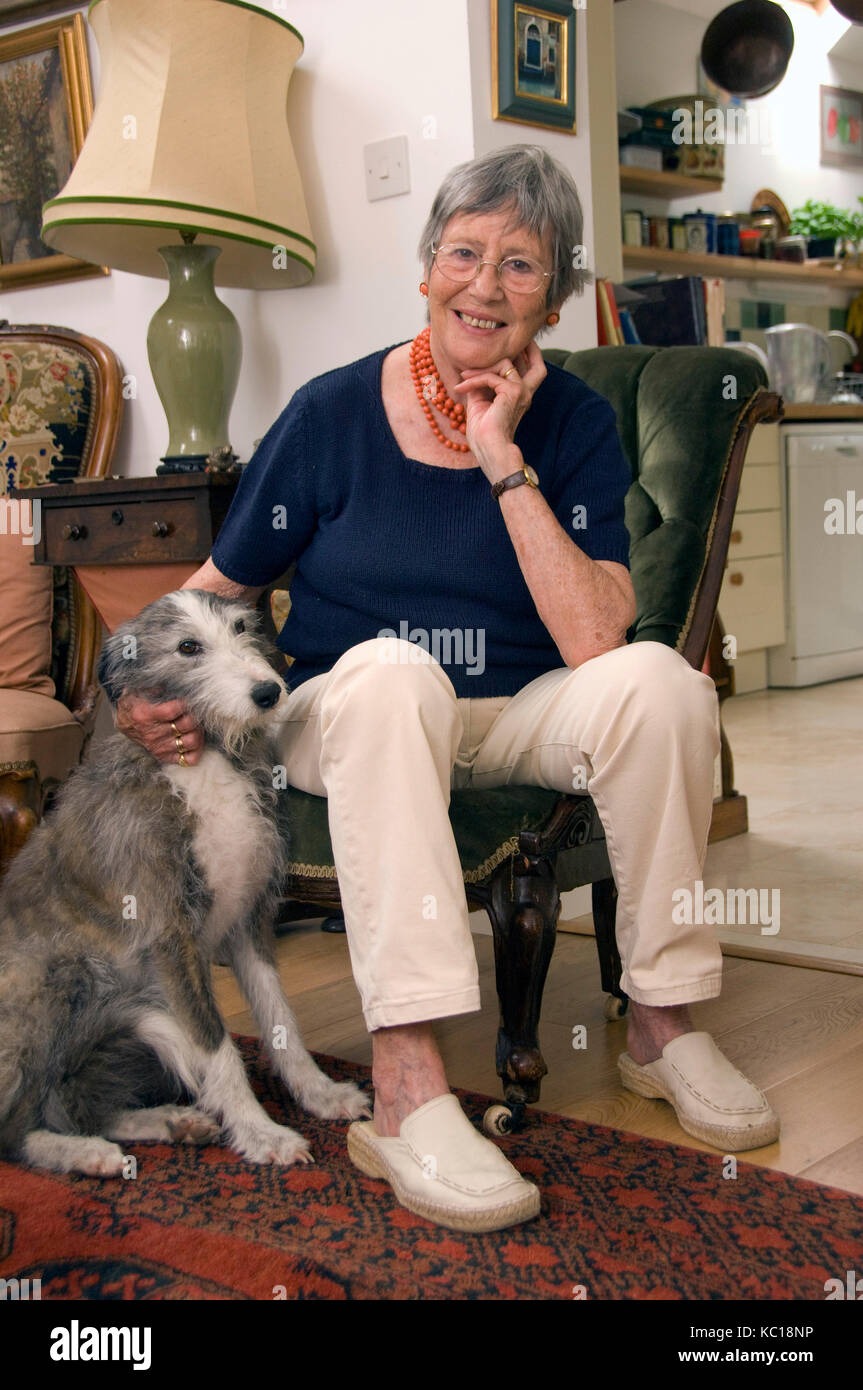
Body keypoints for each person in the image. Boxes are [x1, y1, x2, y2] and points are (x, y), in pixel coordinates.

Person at [116, 145, 779, 1234]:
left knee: (661, 684)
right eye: (462, 253)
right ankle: (406, 1085)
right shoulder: (329, 415)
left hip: (517, 711)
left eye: (519, 266)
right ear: (424, 267)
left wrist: (497, 454)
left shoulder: (567, 424)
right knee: (391, 671)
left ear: (554, 299)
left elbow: (591, 633)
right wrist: (134, 683)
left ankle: (662, 1024)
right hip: (355, 710)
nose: (483, 283)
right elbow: (219, 586)